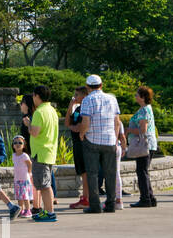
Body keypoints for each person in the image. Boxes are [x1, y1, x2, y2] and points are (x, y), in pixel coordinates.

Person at [76, 74, 125, 214]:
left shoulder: (87, 100)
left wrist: (81, 134)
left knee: (92, 174)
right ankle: (110, 204)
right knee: (110, 173)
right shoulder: (112, 98)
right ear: (101, 85)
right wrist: (115, 139)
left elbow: (86, 121)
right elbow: (117, 122)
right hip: (109, 141)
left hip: (92, 141)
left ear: (87, 87)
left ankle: (95, 205)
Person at [25, 84, 60, 222]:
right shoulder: (52, 110)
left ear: (37, 96)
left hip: (40, 152)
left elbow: (34, 132)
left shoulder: (39, 112)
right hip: (49, 151)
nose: (33, 98)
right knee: (46, 184)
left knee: (44, 185)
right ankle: (47, 211)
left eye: (33, 95)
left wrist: (28, 123)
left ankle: (50, 213)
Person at [126, 86, 158, 207]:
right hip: (148, 144)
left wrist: (128, 130)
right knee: (143, 171)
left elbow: (143, 130)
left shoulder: (144, 110)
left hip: (144, 145)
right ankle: (150, 197)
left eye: (137, 95)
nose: (135, 97)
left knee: (141, 171)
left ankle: (145, 199)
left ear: (143, 97)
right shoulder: (146, 109)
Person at [65, 86, 90, 209]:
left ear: (84, 96)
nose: (74, 96)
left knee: (85, 172)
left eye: (77, 94)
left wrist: (75, 128)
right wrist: (71, 104)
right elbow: (67, 122)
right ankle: (85, 197)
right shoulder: (78, 108)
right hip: (76, 143)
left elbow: (82, 126)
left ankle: (87, 198)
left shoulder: (86, 109)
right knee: (81, 171)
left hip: (83, 143)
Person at [11, 136, 34, 217]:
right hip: (17, 179)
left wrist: (29, 173)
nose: (17, 144)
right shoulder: (14, 155)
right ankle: (21, 210)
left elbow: (30, 164)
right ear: (13, 145)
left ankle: (28, 210)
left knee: (25, 196)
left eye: (20, 143)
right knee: (19, 196)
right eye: (15, 143)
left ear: (24, 145)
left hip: (24, 179)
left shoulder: (24, 155)